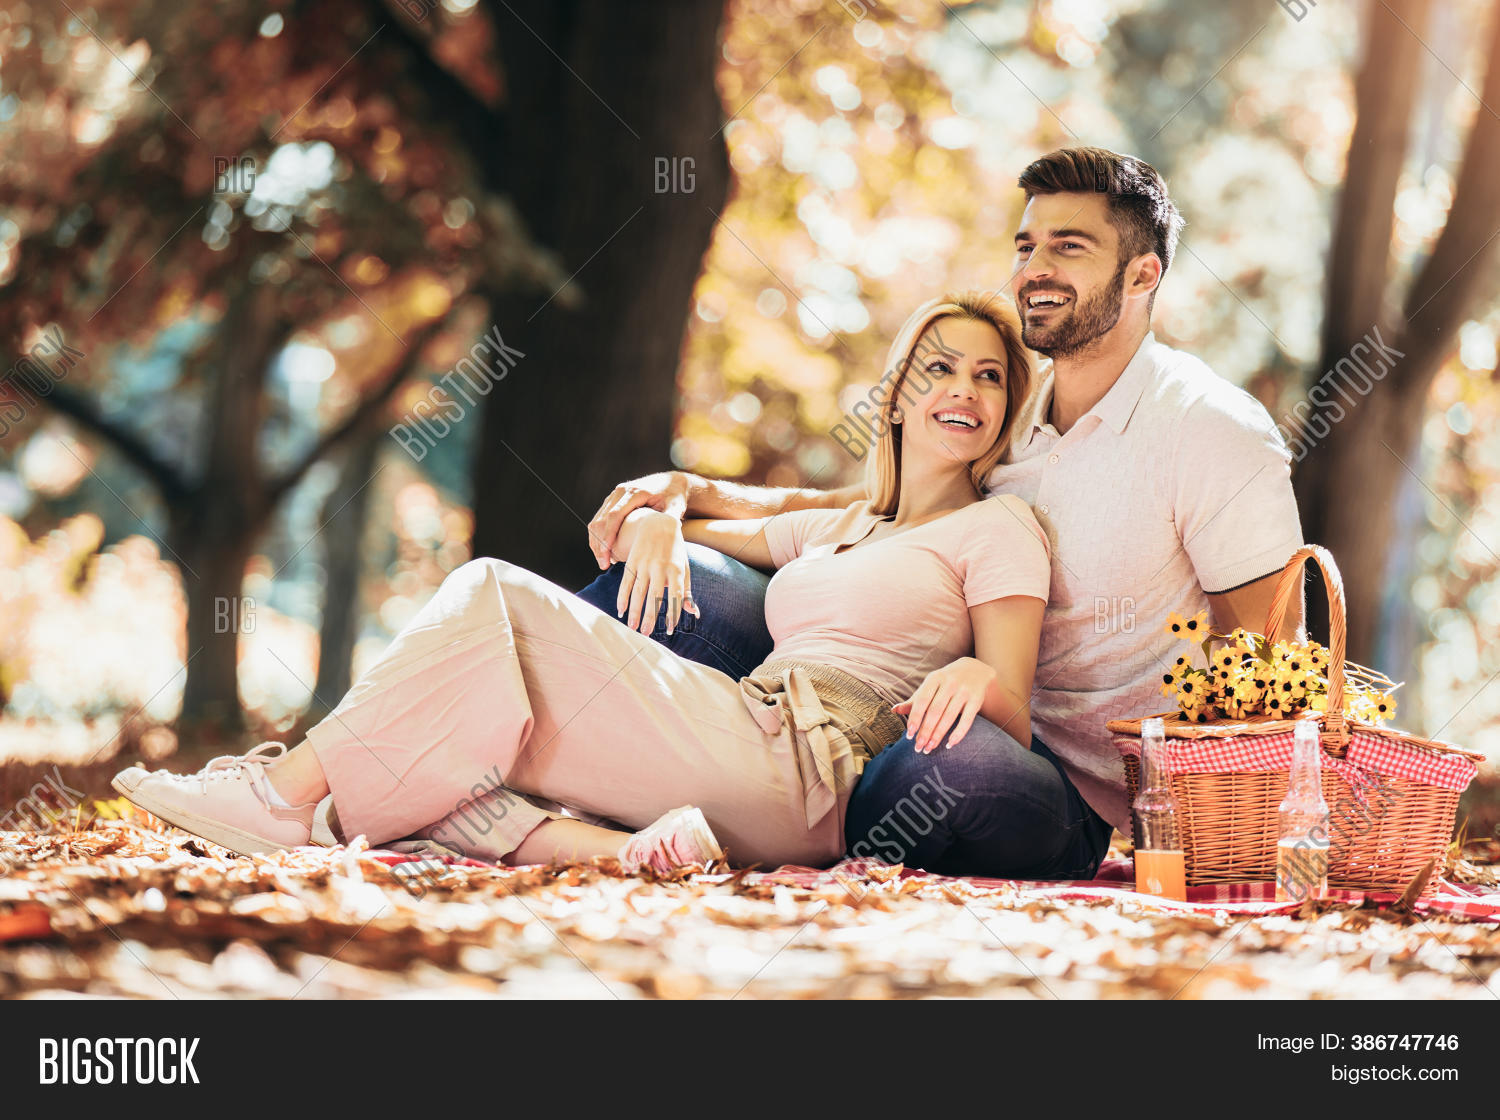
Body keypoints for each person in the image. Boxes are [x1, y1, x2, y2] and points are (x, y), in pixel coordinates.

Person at [112, 292, 1051, 875]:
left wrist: (979, 682)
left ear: (1007, 408)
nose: (963, 390)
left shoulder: (997, 525)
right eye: (939, 367)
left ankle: (281, 799)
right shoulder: (844, 521)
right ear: (893, 395)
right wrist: (655, 514)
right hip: (741, 723)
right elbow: (717, 511)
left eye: (988, 377)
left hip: (811, 769)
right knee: (468, 736)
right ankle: (623, 852)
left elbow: (1010, 697)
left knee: (493, 592)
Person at [580, 146, 1307, 879]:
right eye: (1027, 246)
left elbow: (1269, 656)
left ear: (1143, 274)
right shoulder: (1001, 404)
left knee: (932, 768)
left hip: (1063, 782)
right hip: (882, 698)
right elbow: (862, 510)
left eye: (1069, 247)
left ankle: (778, 840)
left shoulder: (1212, 431)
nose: (1034, 269)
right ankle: (592, 797)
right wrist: (681, 495)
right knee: (660, 589)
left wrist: (1211, 843)